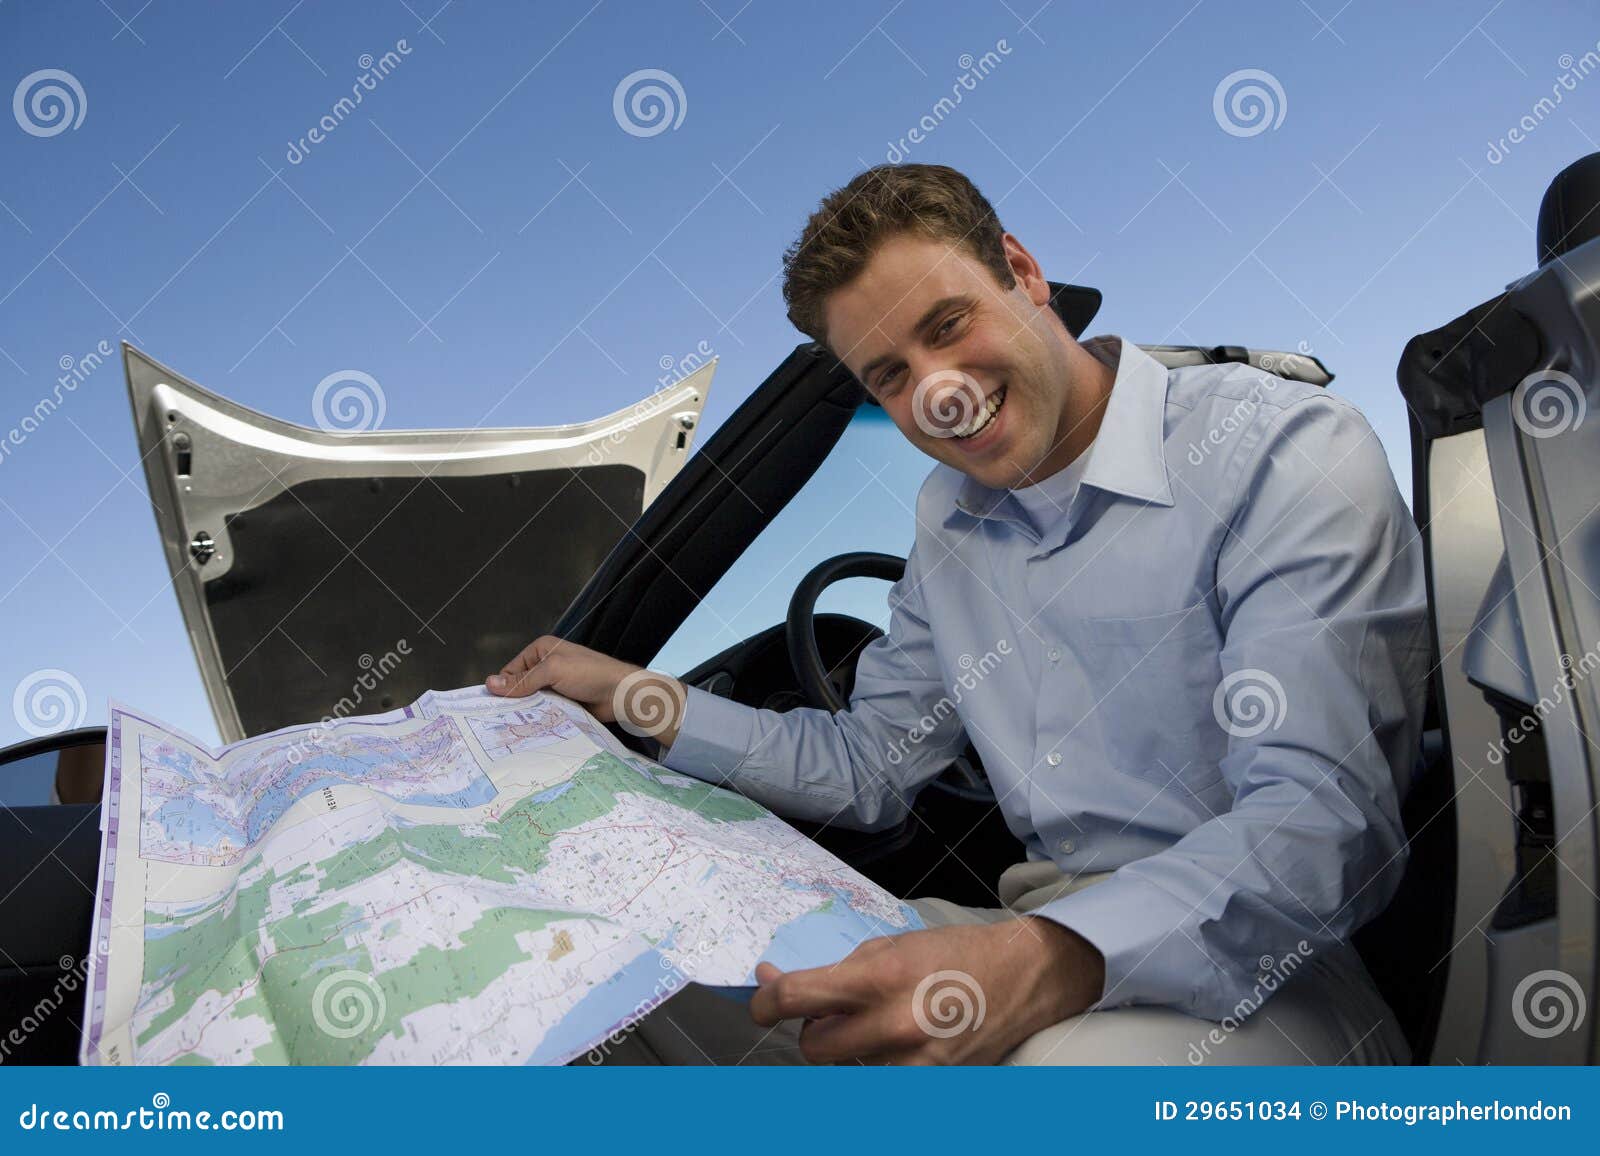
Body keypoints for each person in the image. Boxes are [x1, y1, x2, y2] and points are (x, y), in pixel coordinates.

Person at [486, 164, 1430, 1065]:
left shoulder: (1278, 450)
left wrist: (1040, 963)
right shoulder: (949, 518)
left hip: (1276, 969)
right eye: (889, 377)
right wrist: (632, 693)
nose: (937, 391)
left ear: (1023, 272)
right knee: (637, 997)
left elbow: (1322, 824)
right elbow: (870, 769)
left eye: (948, 324)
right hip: (1025, 925)